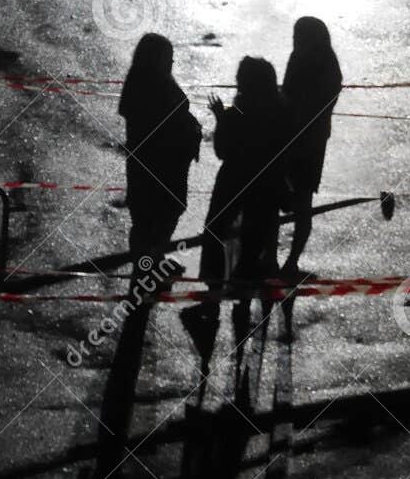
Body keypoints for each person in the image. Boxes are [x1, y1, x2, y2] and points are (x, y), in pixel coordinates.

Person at [182, 57, 290, 340]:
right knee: (252, 240)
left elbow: (223, 151)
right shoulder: (280, 111)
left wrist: (220, 118)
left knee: (217, 234)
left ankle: (212, 300)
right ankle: (244, 300)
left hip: (233, 181)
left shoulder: (237, 112)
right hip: (265, 185)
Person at [118, 34, 201, 299]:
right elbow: (165, 126)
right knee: (159, 217)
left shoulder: (143, 83)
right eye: (168, 57)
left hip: (151, 164)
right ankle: (147, 270)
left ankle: (149, 265)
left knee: (149, 218)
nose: (172, 61)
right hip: (162, 164)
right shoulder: (154, 88)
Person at [280, 16, 343, 281]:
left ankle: (285, 260)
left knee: (294, 200)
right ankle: (289, 262)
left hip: (299, 142)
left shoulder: (305, 62)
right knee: (301, 202)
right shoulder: (327, 65)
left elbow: (290, 99)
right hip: (310, 142)